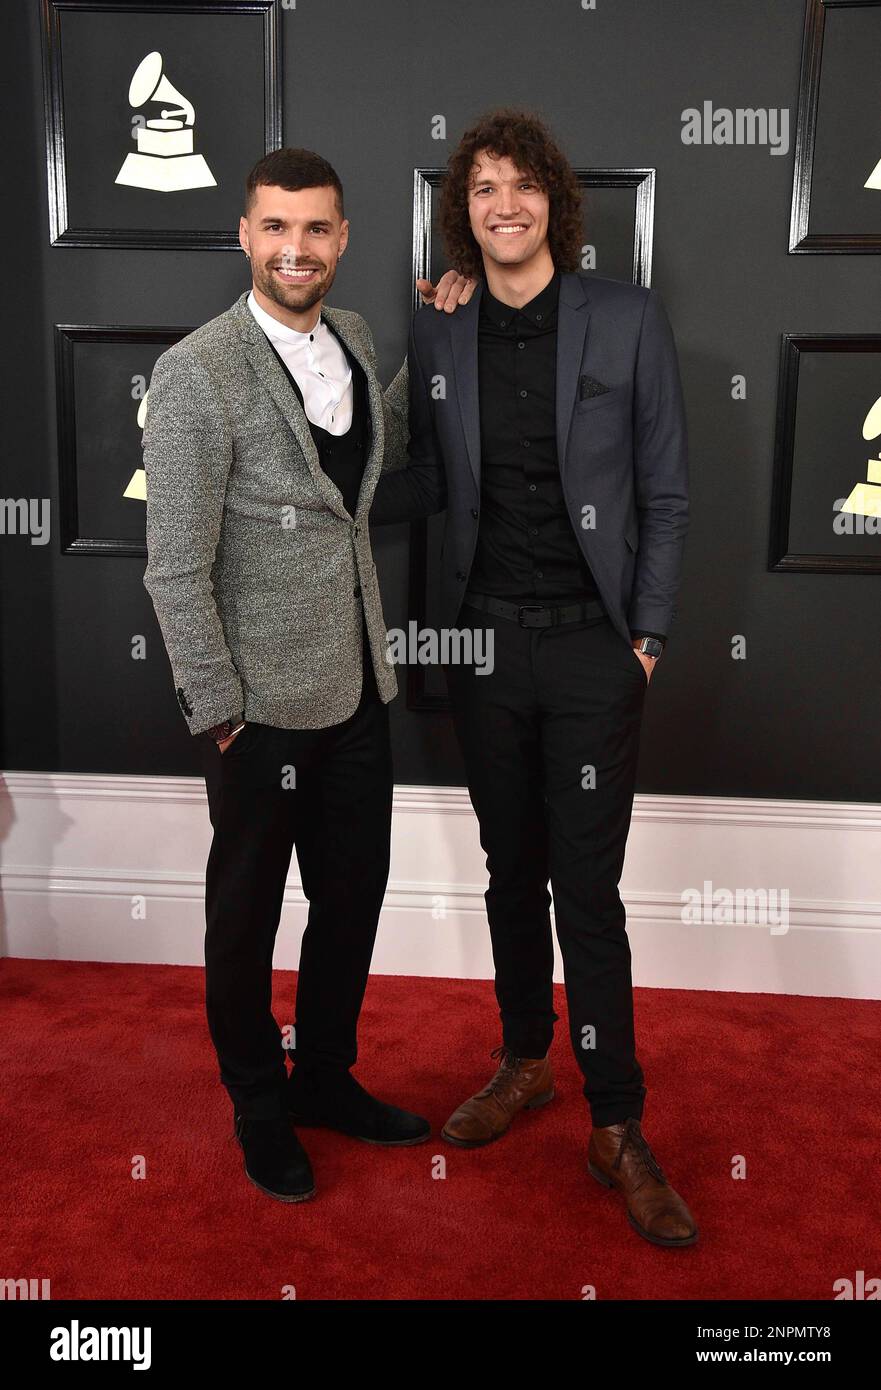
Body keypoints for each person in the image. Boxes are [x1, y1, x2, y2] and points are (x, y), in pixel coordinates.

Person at [371, 108, 697, 1247]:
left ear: (554, 201)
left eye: (519, 186)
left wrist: (643, 635)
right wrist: (323, 487)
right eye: (479, 189)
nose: (500, 203)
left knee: (583, 887)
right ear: (461, 212)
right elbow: (419, 479)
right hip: (478, 646)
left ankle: (616, 1121)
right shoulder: (441, 329)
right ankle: (523, 1062)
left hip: (590, 650)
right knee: (508, 867)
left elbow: (664, 492)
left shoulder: (625, 319)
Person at [142, 147, 469, 1203]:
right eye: (276, 227)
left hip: (356, 687)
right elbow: (174, 564)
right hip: (255, 708)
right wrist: (219, 710)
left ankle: (323, 1076)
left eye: (317, 229)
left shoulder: (359, 339)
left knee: (350, 900)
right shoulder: (197, 371)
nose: (297, 248)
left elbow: (373, 481)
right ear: (245, 235)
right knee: (243, 919)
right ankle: (256, 1100)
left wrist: (440, 336)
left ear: (341, 239)